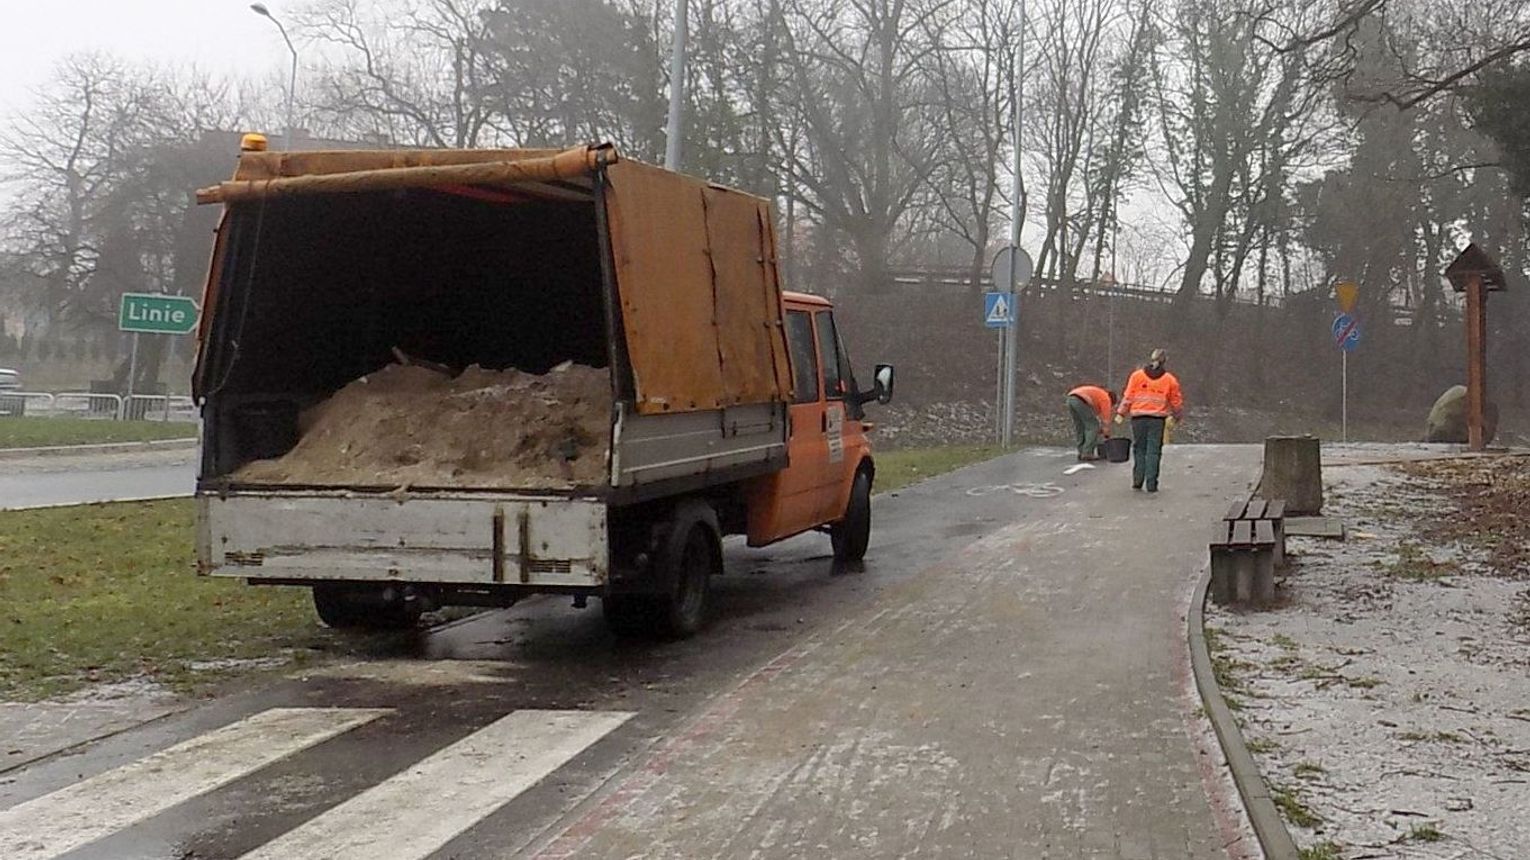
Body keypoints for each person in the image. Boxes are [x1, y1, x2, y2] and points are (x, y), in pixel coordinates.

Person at [1117, 348, 1184, 493]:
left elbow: (1128, 397)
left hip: (1138, 418)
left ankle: (1137, 481)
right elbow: (1176, 401)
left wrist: (1121, 413)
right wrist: (1177, 416)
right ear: (1165, 361)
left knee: (1139, 449)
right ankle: (1151, 484)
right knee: (1153, 451)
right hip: (1157, 420)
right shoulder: (1169, 380)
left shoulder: (1136, 376)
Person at [1066, 384, 1116, 461]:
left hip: (1070, 399)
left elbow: (1093, 416)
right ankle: (1087, 453)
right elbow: (1105, 421)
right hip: (1081, 400)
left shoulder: (1098, 395)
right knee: (1093, 426)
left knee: (1081, 427)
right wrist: (1106, 433)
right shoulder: (1106, 399)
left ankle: (1081, 451)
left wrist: (1098, 429)